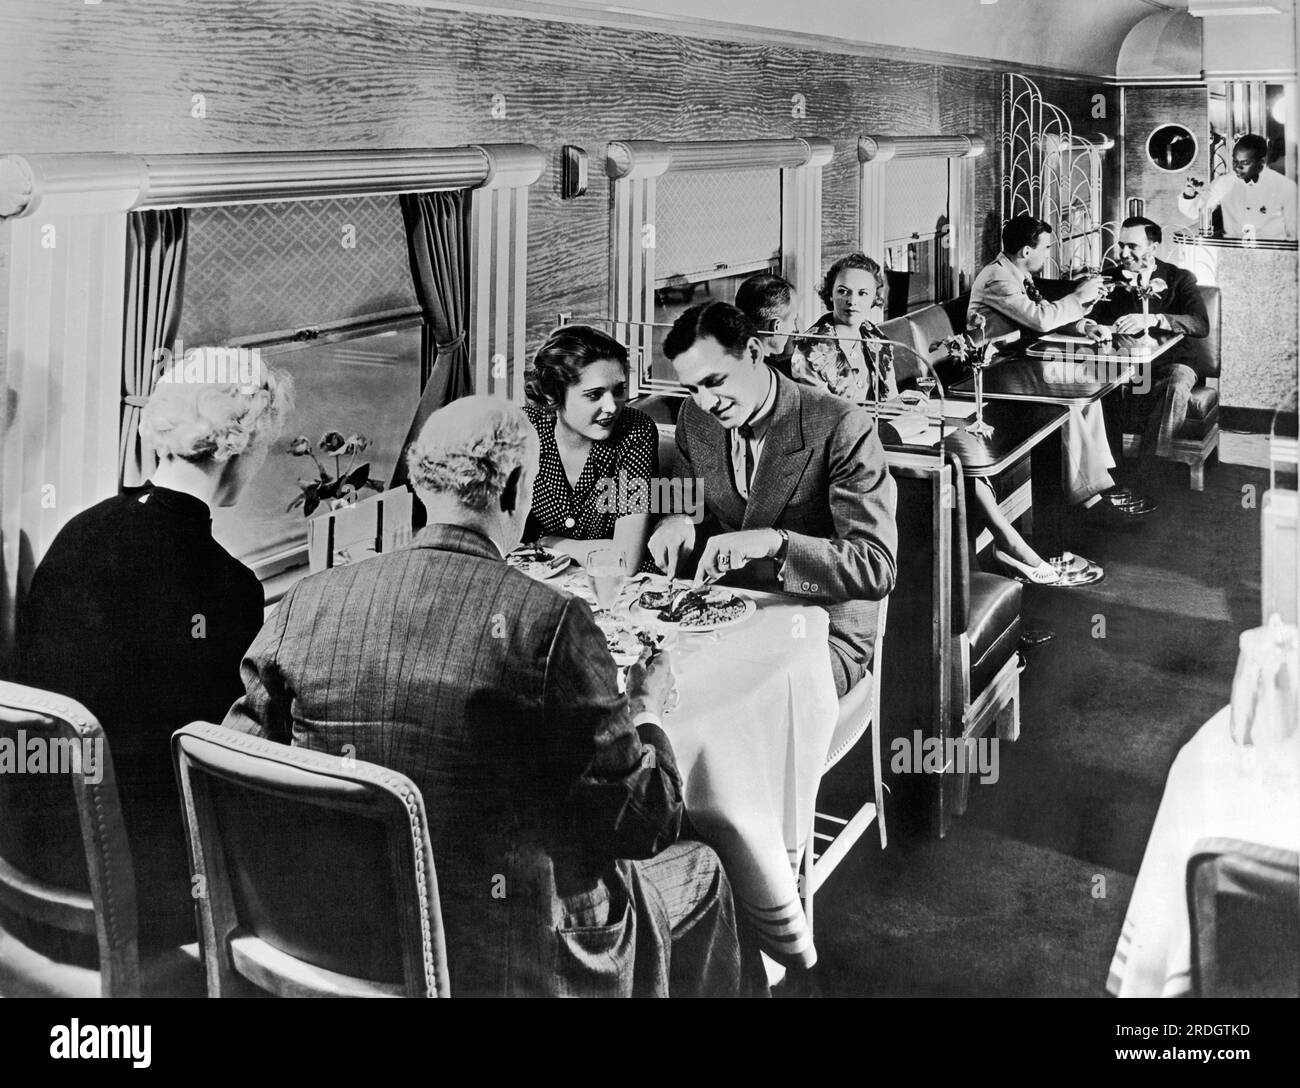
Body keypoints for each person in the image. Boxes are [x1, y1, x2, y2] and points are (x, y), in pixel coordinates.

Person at [222, 396, 759, 998]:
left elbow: (239, 772)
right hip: (501, 952)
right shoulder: (549, 624)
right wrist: (647, 711)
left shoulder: (304, 601)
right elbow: (644, 824)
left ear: (420, 485)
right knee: (704, 868)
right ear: (517, 489)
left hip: (334, 930)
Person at [15, 348, 291, 951]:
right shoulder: (229, 586)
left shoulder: (80, 530)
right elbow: (217, 758)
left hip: (31, 857)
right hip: (136, 893)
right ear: (234, 446)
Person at [647, 301, 897, 697]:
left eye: (714, 381)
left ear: (753, 353)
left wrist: (774, 542)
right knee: (653, 687)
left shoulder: (842, 426)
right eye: (692, 389)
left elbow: (875, 568)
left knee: (722, 697)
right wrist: (675, 521)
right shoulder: (694, 419)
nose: (705, 402)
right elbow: (683, 497)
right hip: (729, 612)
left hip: (823, 625)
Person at [969, 214, 1153, 529]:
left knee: (1087, 395)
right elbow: (1039, 319)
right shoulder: (997, 278)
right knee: (1067, 405)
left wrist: (1085, 324)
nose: (1048, 254)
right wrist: (1078, 297)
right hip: (992, 371)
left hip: (1019, 363)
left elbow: (1046, 312)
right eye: (1045, 248)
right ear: (1027, 251)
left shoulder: (1017, 274)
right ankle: (1091, 498)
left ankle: (1100, 483)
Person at [1076, 216, 1209, 488]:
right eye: (1121, 245)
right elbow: (1084, 317)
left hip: (1173, 364)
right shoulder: (1108, 279)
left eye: (1133, 246)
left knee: (1175, 385)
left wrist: (1155, 319)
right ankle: (1108, 475)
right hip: (1124, 367)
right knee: (1096, 386)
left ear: (1154, 247)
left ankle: (1150, 472)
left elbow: (1199, 323)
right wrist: (1090, 327)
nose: (1123, 253)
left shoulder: (1179, 279)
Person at [521, 324, 658, 572]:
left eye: (618, 390)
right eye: (594, 395)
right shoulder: (524, 430)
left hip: (621, 591)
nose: (612, 406)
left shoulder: (636, 432)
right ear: (553, 395)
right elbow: (499, 540)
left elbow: (625, 561)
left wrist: (547, 542)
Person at [1178, 134, 1297, 241]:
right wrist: (1189, 194)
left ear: (1261, 162)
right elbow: (1196, 212)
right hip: (1232, 250)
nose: (1237, 167)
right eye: (1235, 161)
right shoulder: (1225, 182)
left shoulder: (1282, 185)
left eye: (1245, 163)